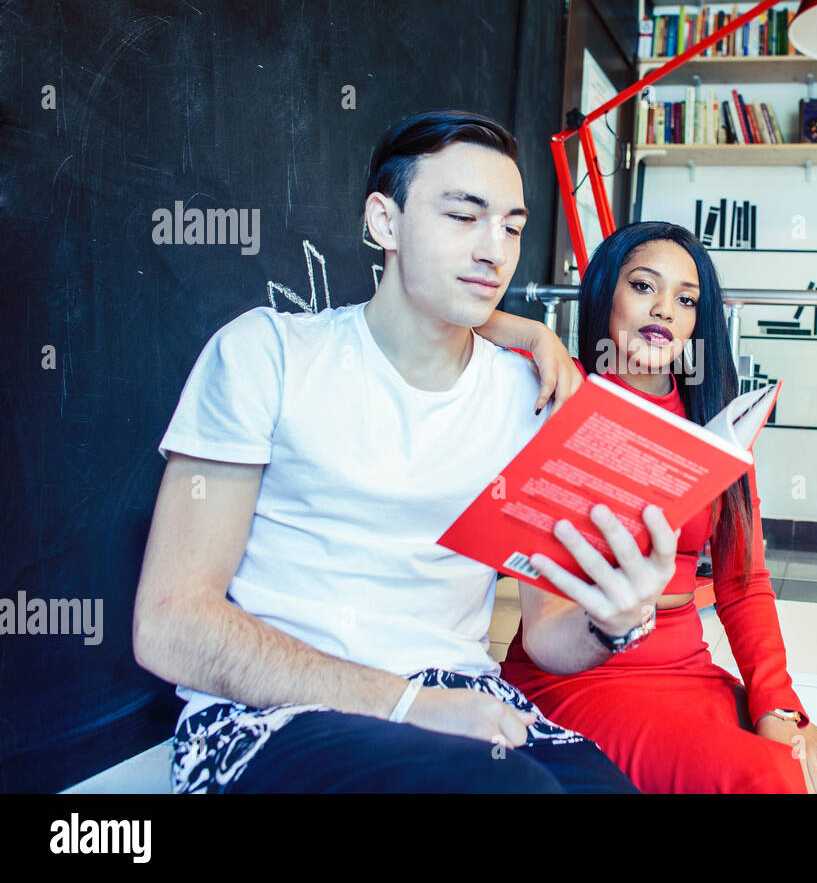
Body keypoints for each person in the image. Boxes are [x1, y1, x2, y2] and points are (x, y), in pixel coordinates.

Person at [132, 110, 681, 793]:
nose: (496, 251)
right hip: (274, 710)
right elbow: (169, 624)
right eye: (463, 217)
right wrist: (406, 704)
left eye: (512, 227)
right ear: (384, 223)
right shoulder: (266, 355)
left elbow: (546, 639)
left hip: (465, 701)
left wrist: (612, 622)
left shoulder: (527, 398)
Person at [478, 221, 817, 794]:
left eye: (687, 299)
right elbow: (450, 311)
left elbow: (744, 583)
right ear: (607, 295)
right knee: (775, 780)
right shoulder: (563, 390)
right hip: (583, 674)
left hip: (690, 669)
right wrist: (535, 336)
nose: (666, 310)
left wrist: (776, 709)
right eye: (644, 287)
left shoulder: (717, 424)